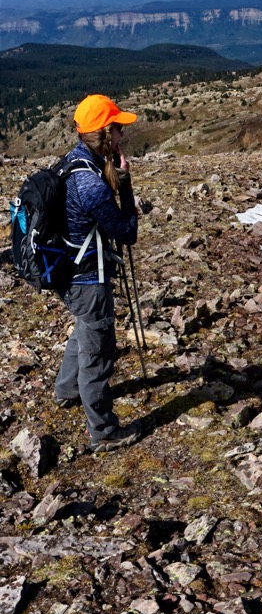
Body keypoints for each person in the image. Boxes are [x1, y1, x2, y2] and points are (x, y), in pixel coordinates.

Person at [55, 94, 143, 452]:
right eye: (119, 128)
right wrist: (125, 182)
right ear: (107, 134)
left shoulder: (73, 162)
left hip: (68, 272)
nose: (124, 133)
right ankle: (104, 431)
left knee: (84, 329)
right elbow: (127, 232)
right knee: (98, 350)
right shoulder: (91, 183)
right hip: (88, 279)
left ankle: (66, 390)